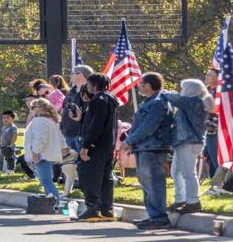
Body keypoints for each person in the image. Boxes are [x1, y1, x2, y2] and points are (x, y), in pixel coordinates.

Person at [120, 72, 176, 230]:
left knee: (153, 183)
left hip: (153, 148)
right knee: (147, 183)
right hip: (145, 147)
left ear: (149, 85)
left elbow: (149, 126)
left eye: (141, 84)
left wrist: (129, 141)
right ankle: (154, 216)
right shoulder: (151, 102)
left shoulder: (158, 102)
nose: (138, 86)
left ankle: (159, 218)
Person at [73, 73, 119, 222]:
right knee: (105, 178)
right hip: (107, 145)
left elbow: (95, 126)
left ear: (93, 85)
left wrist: (86, 145)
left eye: (87, 84)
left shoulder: (97, 101)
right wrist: (82, 117)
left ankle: (92, 208)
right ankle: (106, 209)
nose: (86, 87)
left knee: (88, 176)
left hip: (95, 145)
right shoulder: (110, 99)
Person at [166, 79, 209, 215]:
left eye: (183, 88)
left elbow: (174, 99)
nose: (181, 91)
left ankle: (193, 201)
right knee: (176, 172)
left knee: (188, 173)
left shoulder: (195, 102)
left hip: (189, 142)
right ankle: (181, 198)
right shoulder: (193, 102)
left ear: (190, 90)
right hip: (184, 142)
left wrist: (163, 93)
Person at [22, 98, 66, 204]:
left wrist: (35, 153)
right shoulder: (53, 120)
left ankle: (55, 204)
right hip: (49, 154)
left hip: (42, 155)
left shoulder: (39, 121)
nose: (30, 110)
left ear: (40, 108)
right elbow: (61, 138)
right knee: (47, 181)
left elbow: (40, 138)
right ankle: (51, 204)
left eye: (32, 107)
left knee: (46, 181)